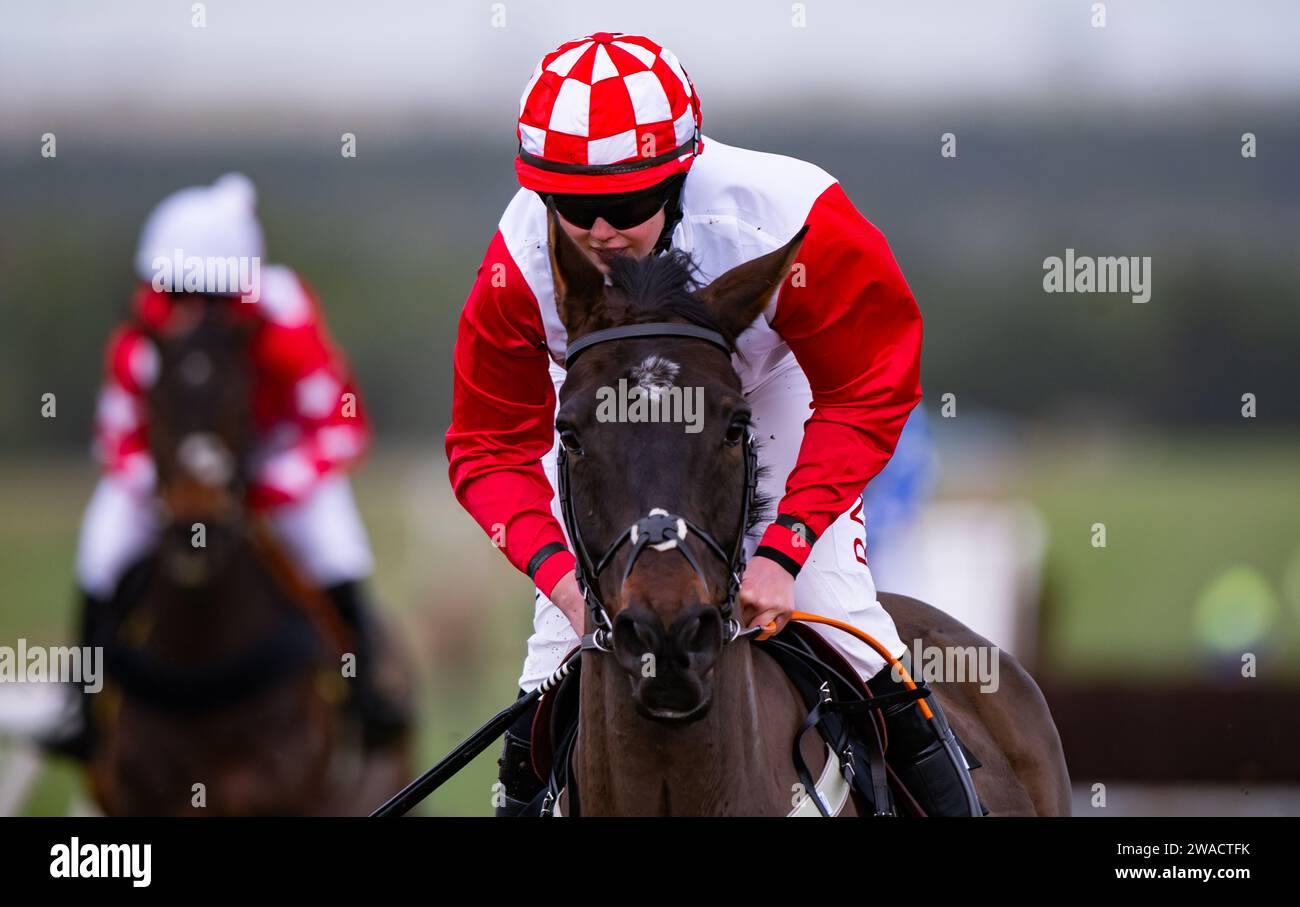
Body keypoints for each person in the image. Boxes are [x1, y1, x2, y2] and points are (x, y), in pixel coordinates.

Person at [446, 33, 980, 816]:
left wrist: (786, 550)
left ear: (682, 172)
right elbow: (487, 444)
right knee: (547, 674)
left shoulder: (792, 217)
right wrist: (560, 579)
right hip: (617, 421)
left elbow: (871, 385)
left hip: (768, 394)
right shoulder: (518, 263)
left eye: (626, 205)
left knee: (856, 633)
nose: (597, 232)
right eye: (569, 207)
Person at [48, 173, 410, 758]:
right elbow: (116, 440)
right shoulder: (141, 339)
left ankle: (367, 697)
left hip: (273, 461)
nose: (194, 314)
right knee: (102, 550)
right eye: (178, 293)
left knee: (339, 551)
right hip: (171, 478)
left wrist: (265, 488)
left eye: (212, 298)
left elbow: (342, 431)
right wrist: (171, 489)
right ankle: (81, 708)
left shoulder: (288, 326)